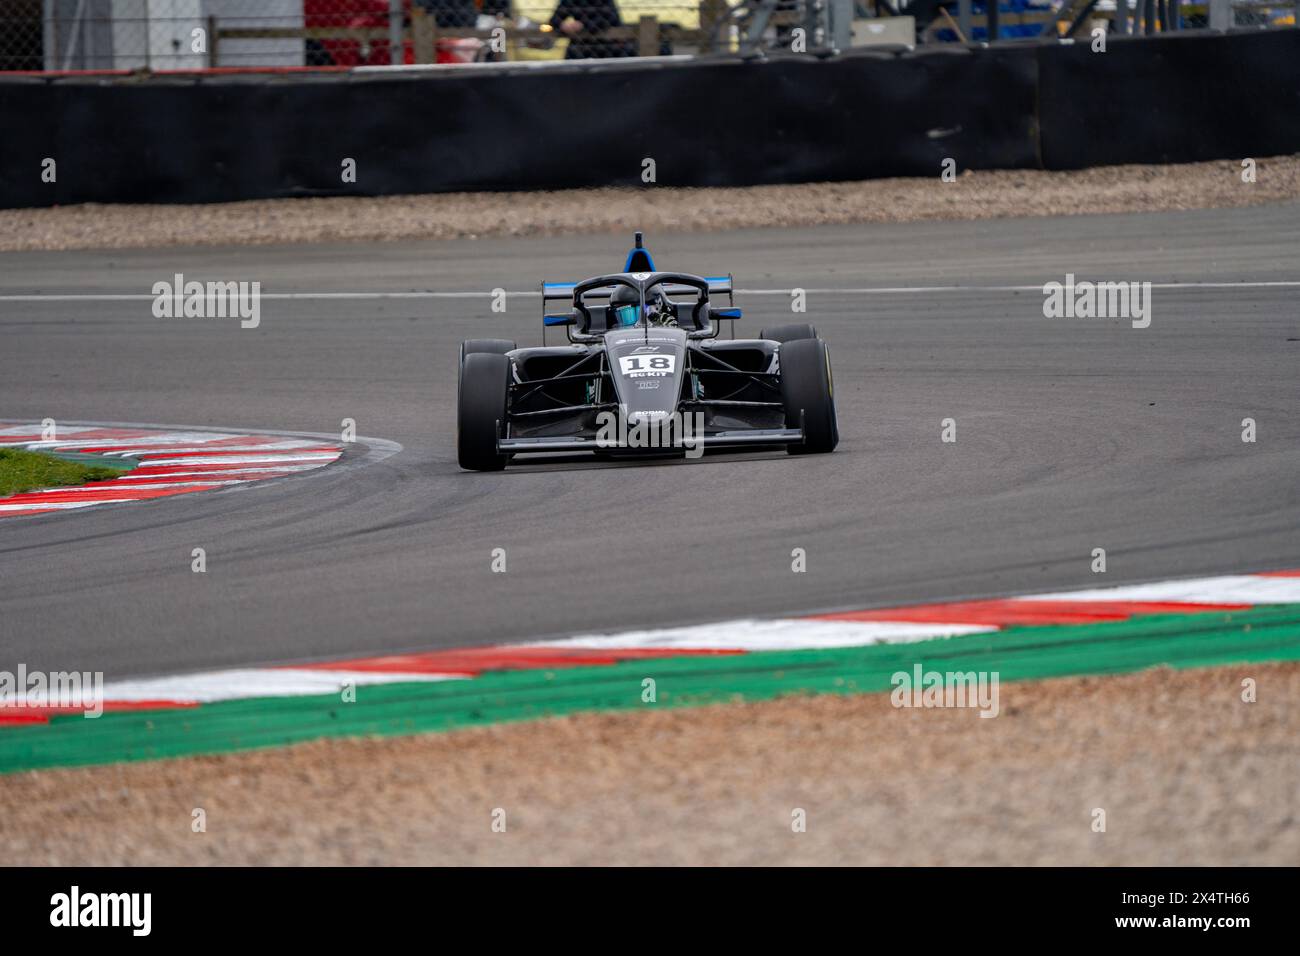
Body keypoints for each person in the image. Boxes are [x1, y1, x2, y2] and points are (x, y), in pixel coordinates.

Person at [548, 0, 636, 58]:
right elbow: (554, 20)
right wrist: (563, 25)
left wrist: (582, 25)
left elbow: (610, 19)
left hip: (609, 44)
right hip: (582, 45)